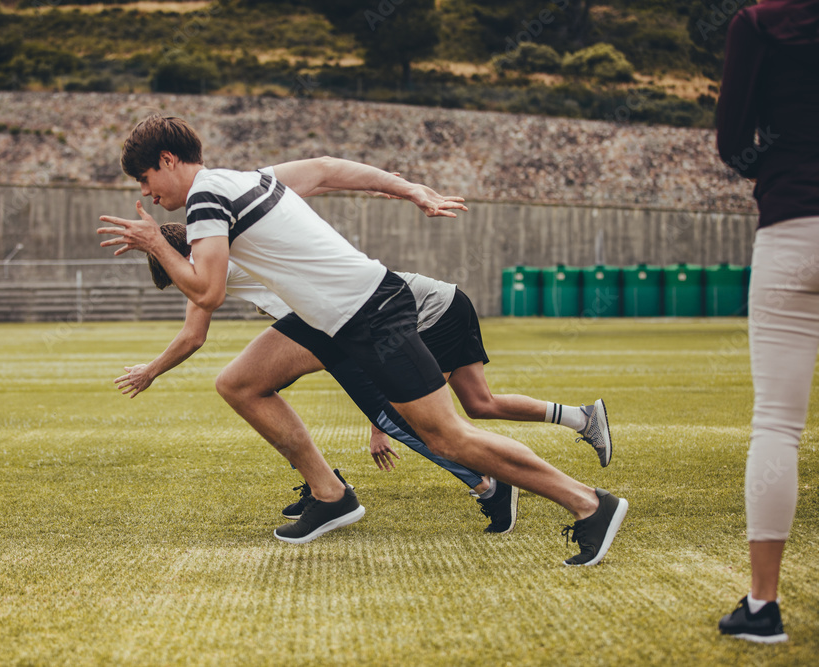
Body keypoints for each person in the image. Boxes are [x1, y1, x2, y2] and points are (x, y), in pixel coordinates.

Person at [97, 115, 627, 564]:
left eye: (145, 179)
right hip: (332, 319)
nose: (147, 193)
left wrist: (155, 244)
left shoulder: (207, 198)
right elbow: (328, 169)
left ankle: (588, 504)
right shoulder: (244, 179)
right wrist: (409, 188)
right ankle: (330, 494)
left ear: (168, 159)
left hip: (368, 314)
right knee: (240, 383)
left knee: (449, 436)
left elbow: (206, 292)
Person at [122, 221, 613, 535]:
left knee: (428, 428)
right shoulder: (232, 244)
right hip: (429, 303)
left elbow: (193, 334)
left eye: (175, 267)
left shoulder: (215, 255)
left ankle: (503, 485)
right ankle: (578, 422)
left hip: (425, 312)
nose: (184, 283)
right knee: (475, 406)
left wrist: (149, 371)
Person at [715, 0, 819, 644]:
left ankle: (762, 606)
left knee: (778, 422)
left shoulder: (760, 23)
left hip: (792, 226)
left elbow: (732, 139)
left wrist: (773, 175)